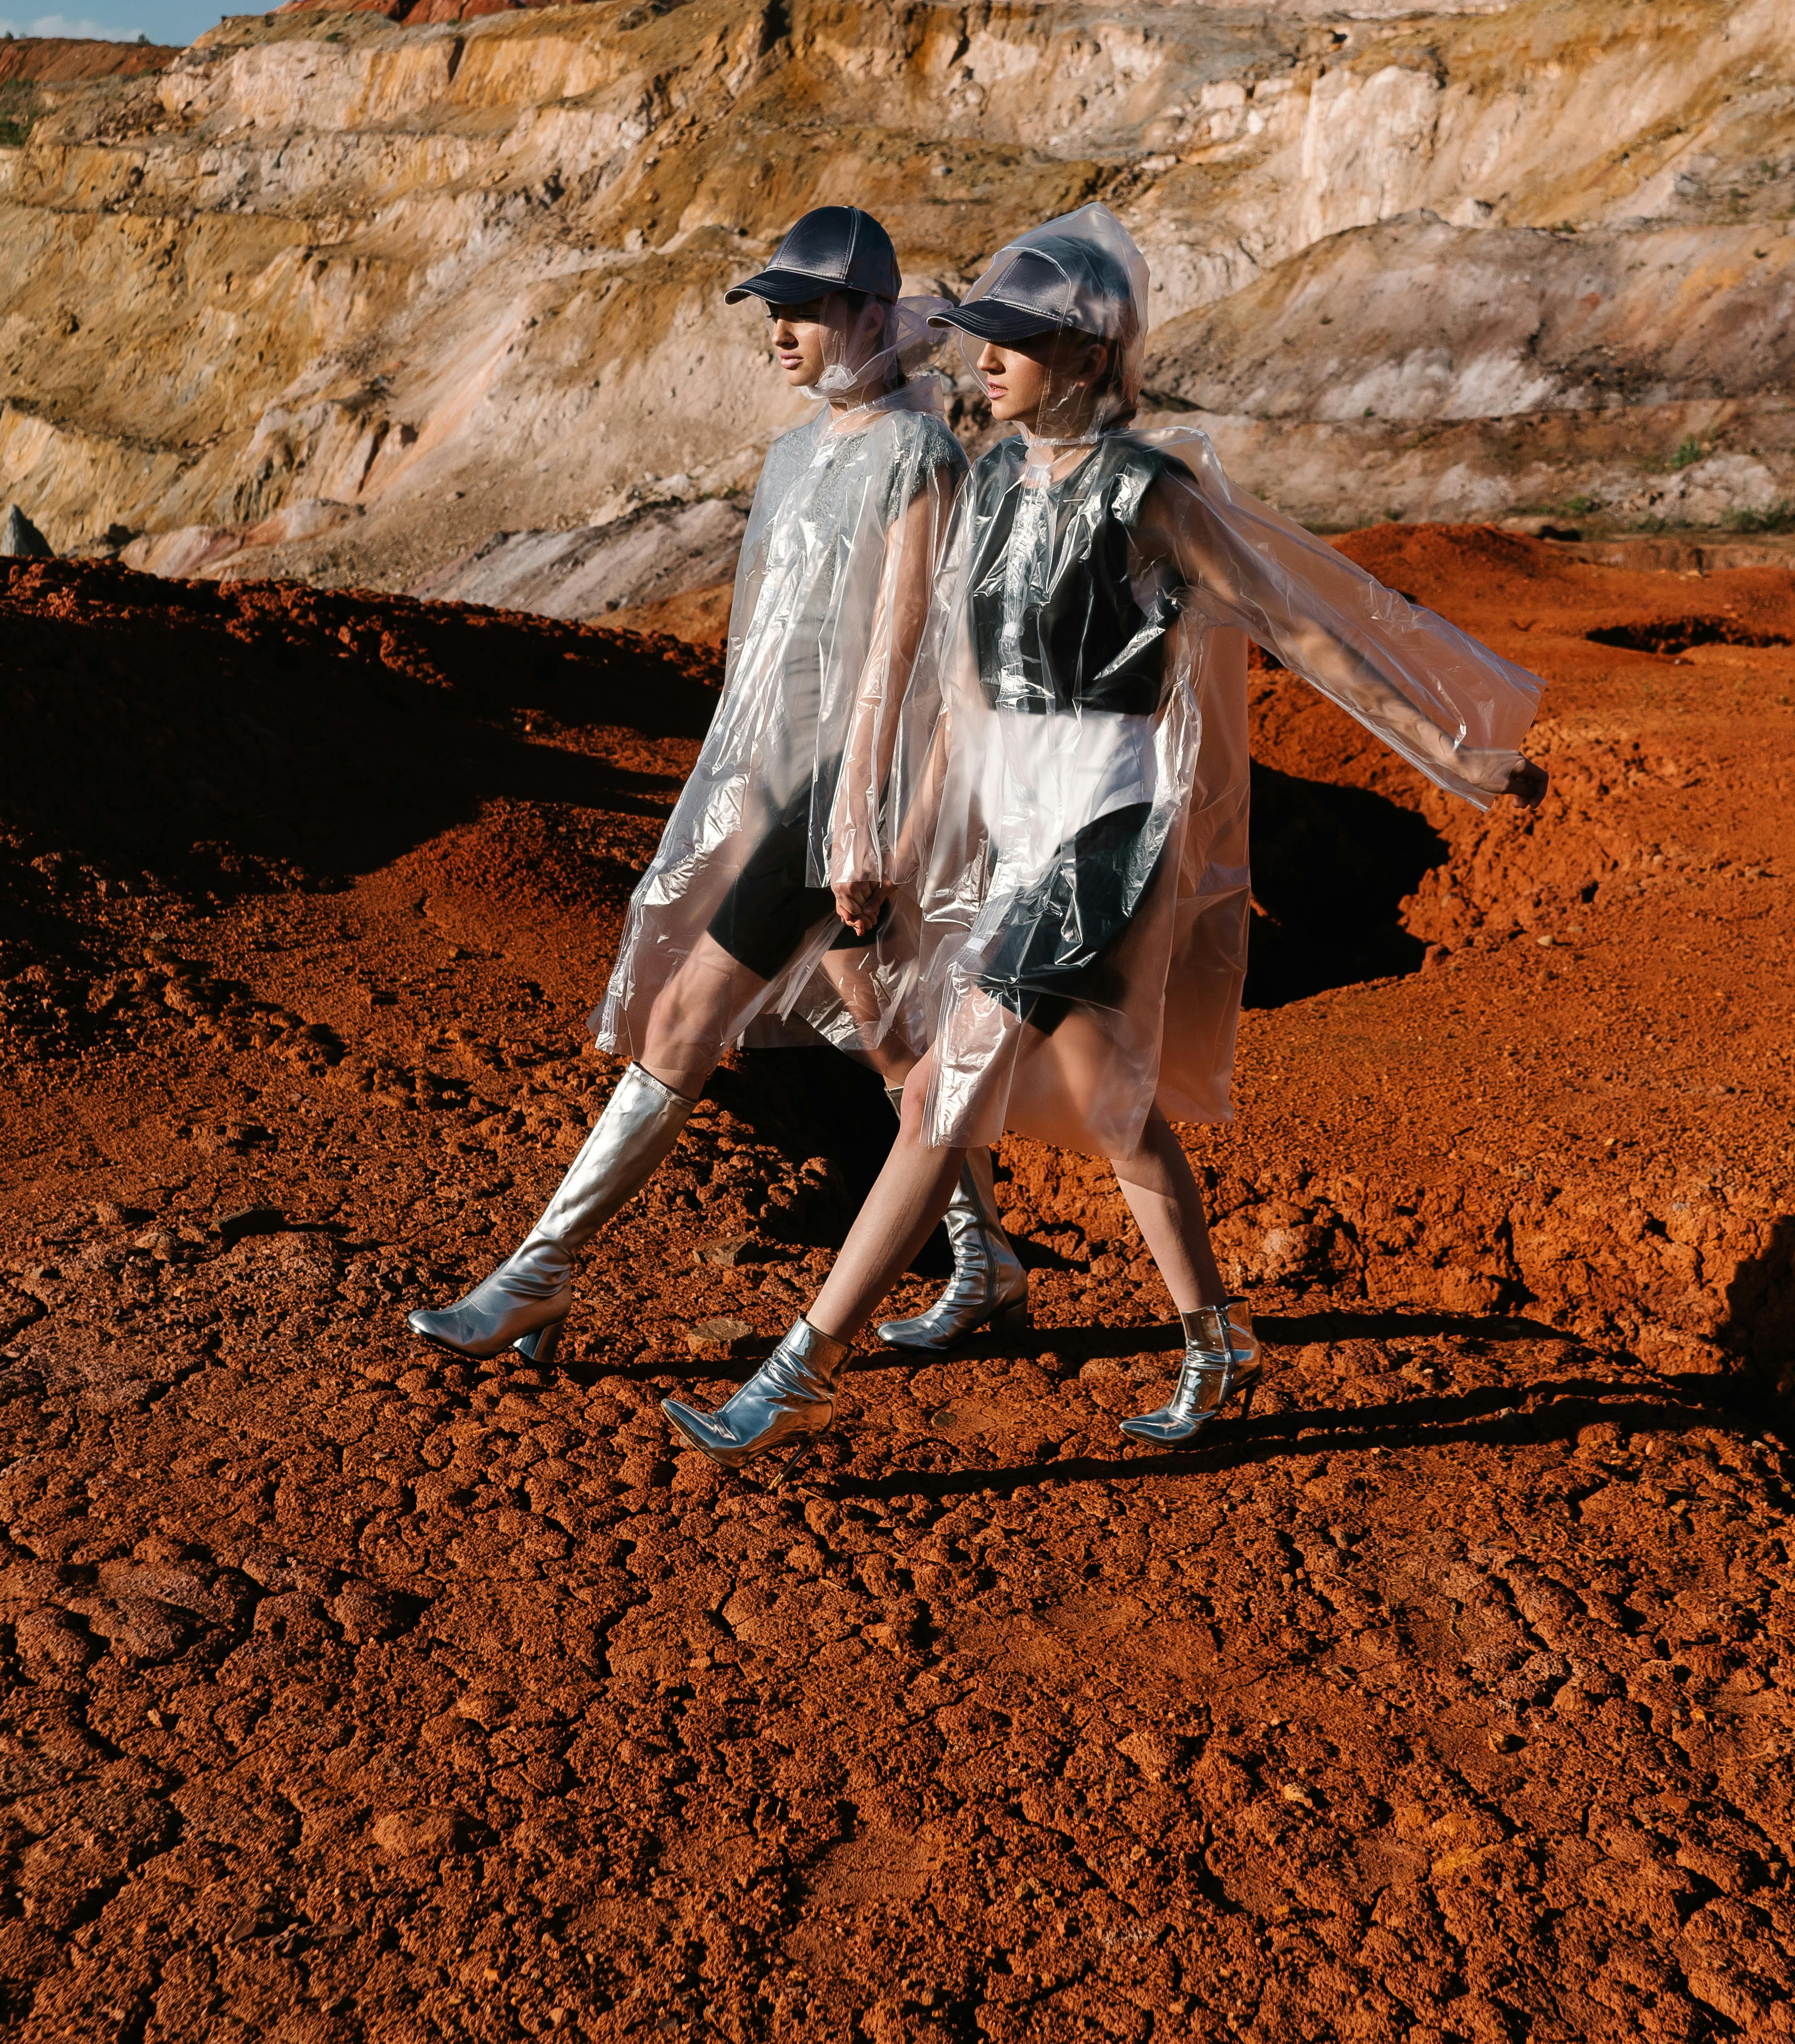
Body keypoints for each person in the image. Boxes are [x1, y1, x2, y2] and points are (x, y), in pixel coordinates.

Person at [660, 205, 1546, 1463]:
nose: (984, 358)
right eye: (981, 337)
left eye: (1015, 341)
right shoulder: (999, 488)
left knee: (943, 1095)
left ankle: (794, 1374)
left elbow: (1295, 624)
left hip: (1107, 834)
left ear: (1087, 357)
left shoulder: (1149, 490)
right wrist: (907, 842)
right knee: (1112, 1105)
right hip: (1014, 836)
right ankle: (1218, 1342)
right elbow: (960, 701)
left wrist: (1449, 749)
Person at [405, 206, 1024, 1364]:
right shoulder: (795, 454)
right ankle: (985, 1260)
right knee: (889, 1035)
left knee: (688, 1014)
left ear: (870, 317)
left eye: (802, 311)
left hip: (846, 793)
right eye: (771, 311)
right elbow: (768, 652)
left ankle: (537, 1277)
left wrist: (855, 817)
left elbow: (903, 653)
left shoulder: (920, 454)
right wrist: (740, 789)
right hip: (779, 783)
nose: (778, 332)